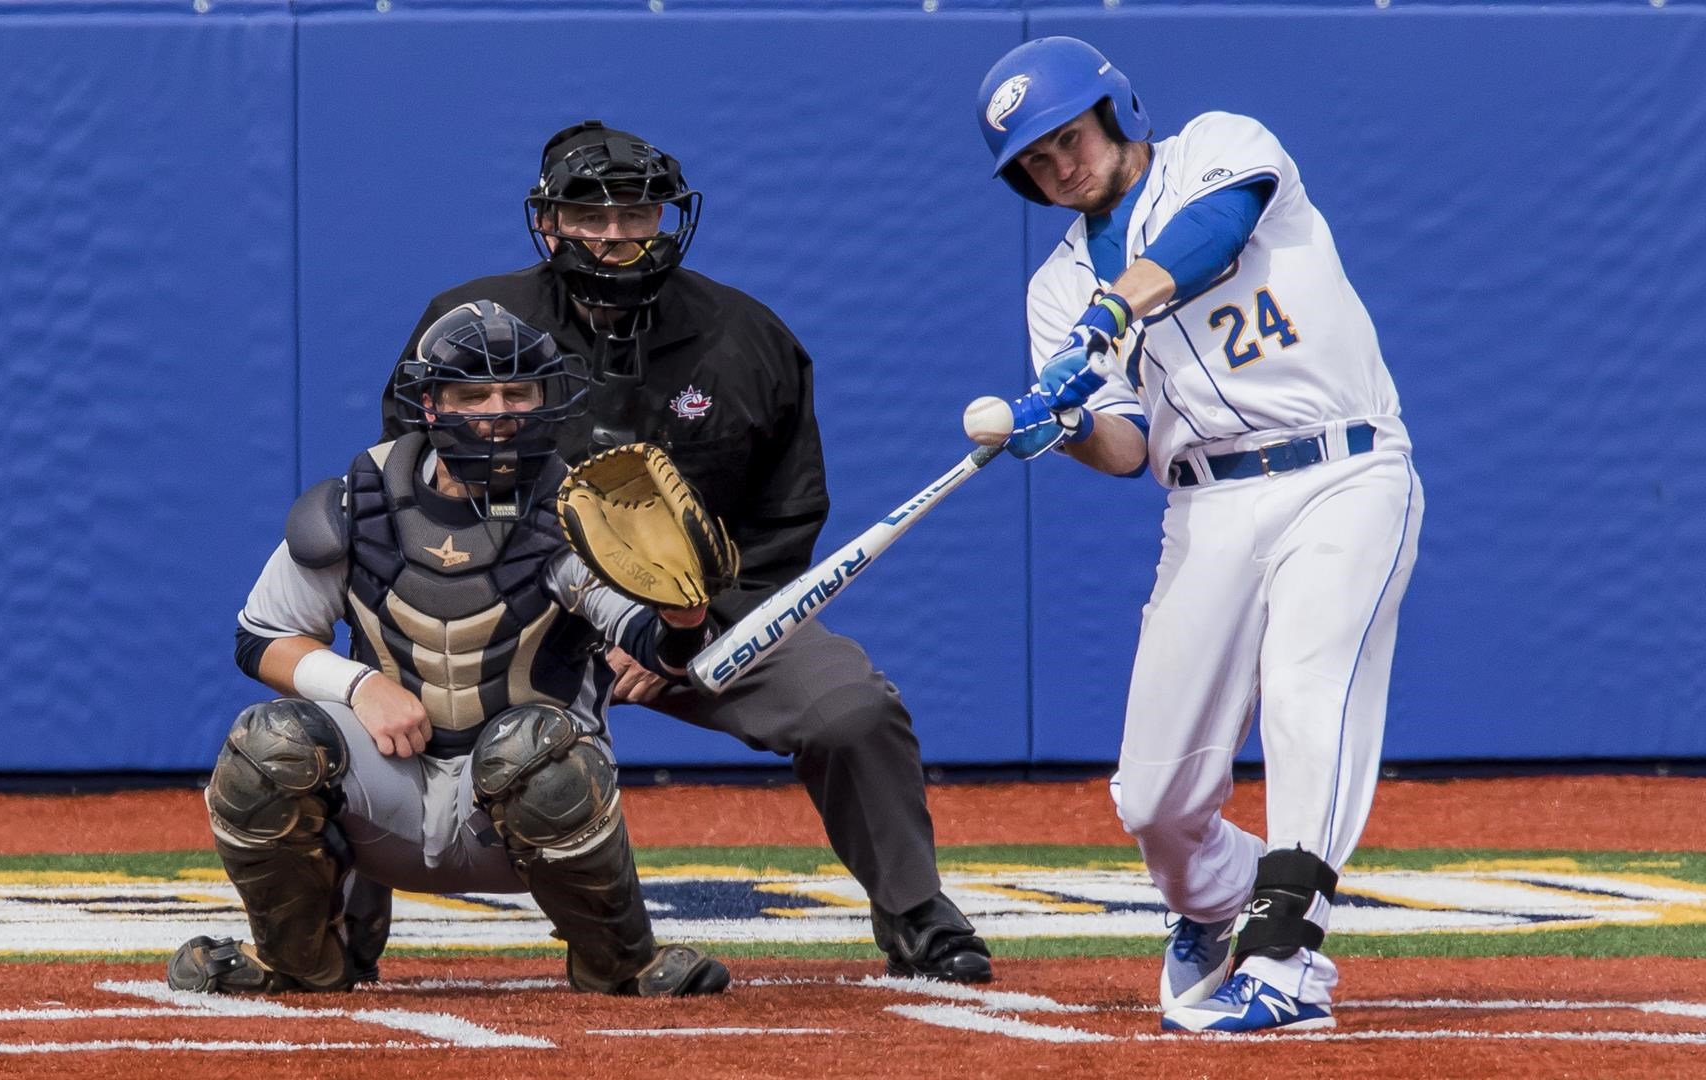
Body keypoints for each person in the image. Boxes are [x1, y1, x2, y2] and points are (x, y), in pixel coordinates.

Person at [377, 121, 992, 984]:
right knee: (373, 711)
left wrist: (682, 630)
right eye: (589, 216)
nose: (616, 234)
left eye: (636, 213)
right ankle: (331, 935)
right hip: (510, 616)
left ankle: (916, 908)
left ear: (667, 217)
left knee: (850, 708)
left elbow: (786, 523)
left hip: (698, 616)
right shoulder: (470, 325)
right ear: (547, 222)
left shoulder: (748, 338)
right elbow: (414, 492)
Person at [974, 38, 1423, 1032]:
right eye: (1035, 161)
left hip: (1342, 470)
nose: (1060, 166)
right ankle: (1221, 898)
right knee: (1155, 801)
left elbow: (1213, 235)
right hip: (1206, 504)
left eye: (1068, 137)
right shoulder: (1054, 289)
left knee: (1308, 691)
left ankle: (1287, 962)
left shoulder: (1218, 146)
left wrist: (1109, 315)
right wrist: (1067, 427)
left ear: (1115, 111)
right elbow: (1128, 446)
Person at [167, 301, 730, 999]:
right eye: (475, 395)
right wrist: (359, 687)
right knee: (266, 745)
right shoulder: (361, 503)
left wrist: (685, 614)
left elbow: (660, 649)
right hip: (388, 794)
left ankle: (619, 961)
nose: (501, 414)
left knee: (536, 752)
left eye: (518, 393)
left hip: (522, 814)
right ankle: (304, 960)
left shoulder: (577, 514)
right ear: (431, 404)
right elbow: (261, 636)